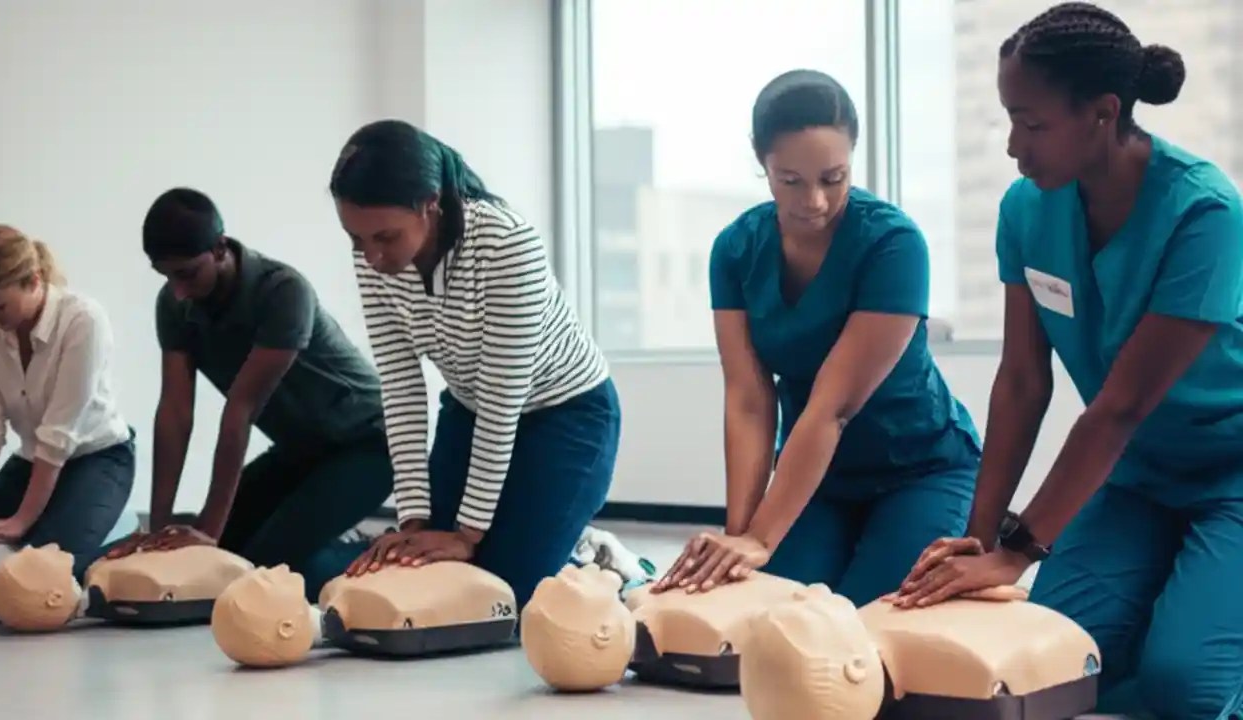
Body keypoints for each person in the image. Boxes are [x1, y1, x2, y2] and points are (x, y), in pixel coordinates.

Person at [895, 4, 1243, 718]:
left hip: (1231, 472)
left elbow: (1120, 408)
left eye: (1032, 124)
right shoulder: (1026, 210)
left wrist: (1019, 551)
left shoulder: (1204, 213)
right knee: (1051, 657)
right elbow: (1023, 382)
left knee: (1188, 688)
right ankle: (1183, 612)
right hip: (1137, 478)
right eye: (1009, 120)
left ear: (1103, 114)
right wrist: (980, 538)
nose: (1013, 146)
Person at [651, 70, 982, 606]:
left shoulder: (894, 245)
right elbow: (749, 401)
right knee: (768, 607)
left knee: (863, 618)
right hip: (818, 479)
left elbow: (833, 408)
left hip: (921, 468)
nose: (815, 201)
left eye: (834, 178)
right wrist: (741, 538)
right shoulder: (735, 249)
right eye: (791, 180)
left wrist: (762, 538)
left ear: (852, 158)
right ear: (762, 163)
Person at [318, 119, 620, 609]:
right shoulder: (376, 259)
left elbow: (504, 399)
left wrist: (466, 534)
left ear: (429, 204)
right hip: (470, 408)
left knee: (503, 595)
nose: (371, 256)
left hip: (567, 415)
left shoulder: (507, 244)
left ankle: (594, 558)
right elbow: (401, 389)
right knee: (421, 571)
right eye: (357, 239)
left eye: (385, 237)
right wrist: (414, 521)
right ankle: (535, 540)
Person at [106, 188, 394, 595]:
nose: (178, 291)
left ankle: (385, 550)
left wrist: (208, 533)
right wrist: (158, 527)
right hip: (300, 451)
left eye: (187, 274)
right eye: (166, 276)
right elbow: (174, 412)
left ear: (220, 248)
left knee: (260, 570)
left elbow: (240, 411)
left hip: (368, 444)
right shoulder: (174, 304)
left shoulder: (283, 291)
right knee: (225, 556)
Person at [0, 224, 135, 577]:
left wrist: (20, 521)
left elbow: (59, 435)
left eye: (0, 307)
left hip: (96, 458)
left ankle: (121, 540)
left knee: (43, 567)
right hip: (33, 459)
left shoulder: (83, 320)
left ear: (34, 281)